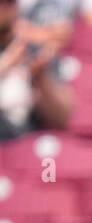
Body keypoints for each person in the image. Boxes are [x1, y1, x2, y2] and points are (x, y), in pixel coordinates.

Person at [0, 0, 73, 141]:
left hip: (28, 148)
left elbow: (62, 118)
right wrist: (6, 65)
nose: (5, 8)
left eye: (10, 2)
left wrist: (40, 77)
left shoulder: (34, 45)